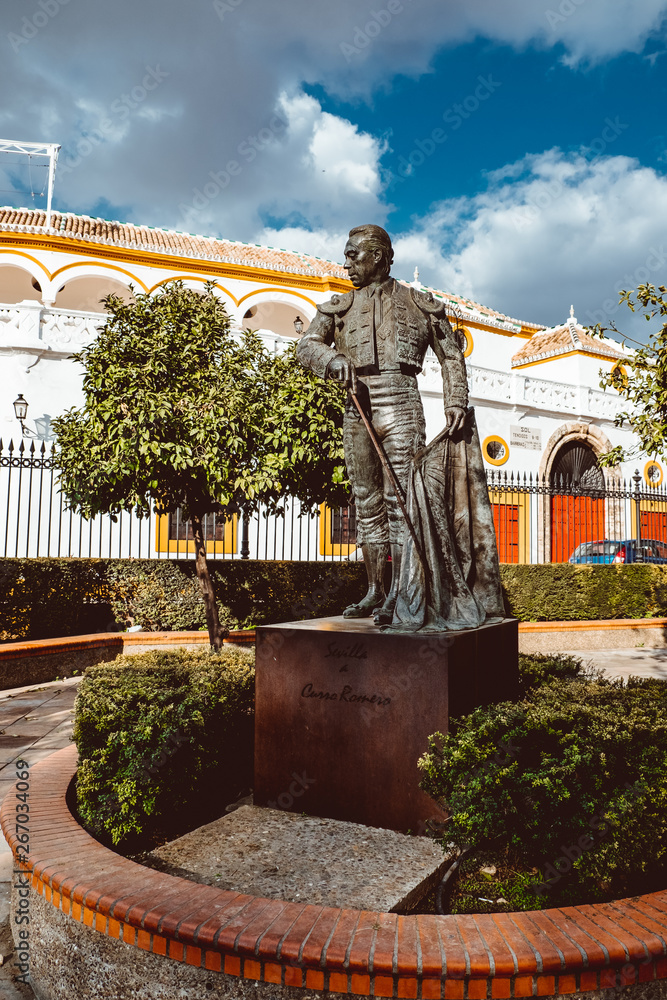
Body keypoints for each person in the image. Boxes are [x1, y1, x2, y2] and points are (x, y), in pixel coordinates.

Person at [297, 223, 474, 626]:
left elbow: (451, 355)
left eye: (353, 256)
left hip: (401, 400)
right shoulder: (339, 306)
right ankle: (376, 590)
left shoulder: (419, 303)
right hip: (357, 402)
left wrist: (455, 400)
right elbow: (306, 345)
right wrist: (331, 360)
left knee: (400, 500)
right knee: (366, 501)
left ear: (377, 256)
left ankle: (402, 593)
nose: (346, 264)